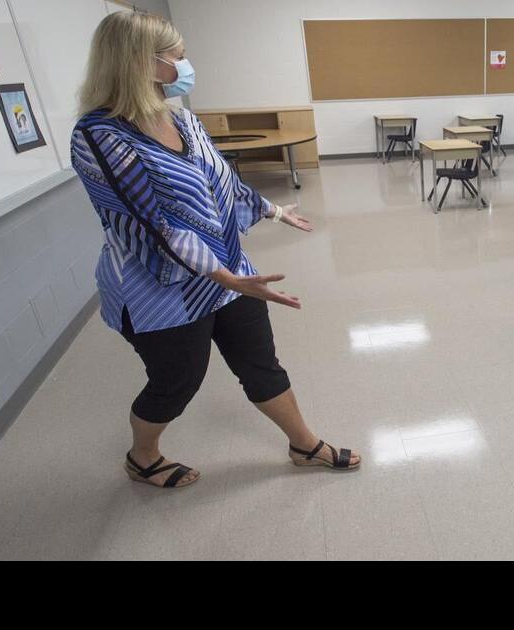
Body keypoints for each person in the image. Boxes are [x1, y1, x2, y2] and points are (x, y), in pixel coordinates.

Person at [70, 11, 360, 489]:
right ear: (142, 64)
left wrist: (271, 210)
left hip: (228, 272)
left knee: (260, 362)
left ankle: (304, 445)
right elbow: (154, 225)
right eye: (177, 57)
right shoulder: (99, 136)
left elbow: (220, 180)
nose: (186, 64)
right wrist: (226, 277)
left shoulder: (180, 118)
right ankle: (142, 456)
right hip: (158, 288)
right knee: (178, 381)